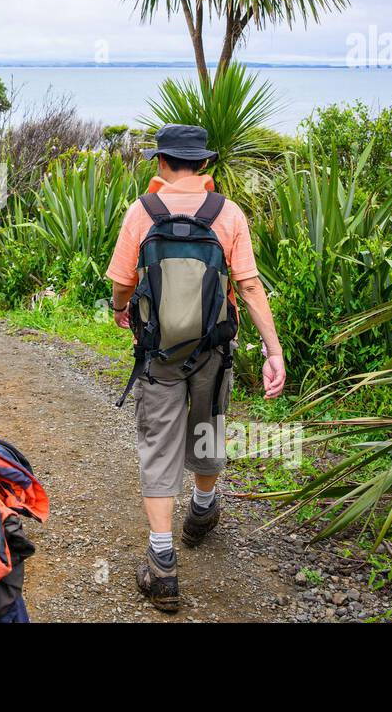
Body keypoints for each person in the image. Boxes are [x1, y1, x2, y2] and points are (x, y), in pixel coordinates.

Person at [106, 123, 286, 613]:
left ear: (160, 163)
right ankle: (203, 509)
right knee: (207, 427)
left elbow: (122, 283)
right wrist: (274, 351)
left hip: (158, 352)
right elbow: (248, 287)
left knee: (158, 441)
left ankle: (162, 563)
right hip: (213, 348)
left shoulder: (141, 213)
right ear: (205, 164)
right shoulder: (227, 214)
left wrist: (123, 308)